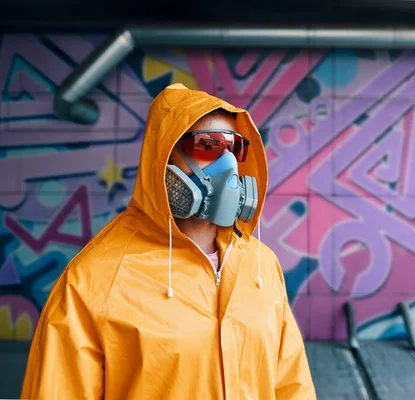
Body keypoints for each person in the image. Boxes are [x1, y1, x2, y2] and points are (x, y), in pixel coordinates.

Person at [21, 83, 316, 399]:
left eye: (235, 148)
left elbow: (290, 385)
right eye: (208, 145)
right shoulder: (94, 281)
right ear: (164, 158)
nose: (228, 164)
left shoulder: (260, 266)